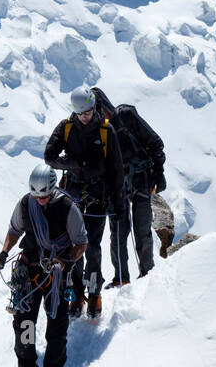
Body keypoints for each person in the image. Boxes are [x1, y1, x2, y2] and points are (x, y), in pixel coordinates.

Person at [0, 161, 87, 367]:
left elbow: (81, 242)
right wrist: (3, 253)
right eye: (36, 195)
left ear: (53, 189)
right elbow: (14, 230)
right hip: (29, 273)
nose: (40, 200)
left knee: (56, 335)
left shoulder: (67, 208)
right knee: (24, 329)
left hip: (57, 277)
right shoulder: (26, 204)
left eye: (44, 195)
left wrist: (65, 261)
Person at [43, 86, 125, 319]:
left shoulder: (106, 131)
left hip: (98, 197)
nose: (85, 117)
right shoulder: (66, 127)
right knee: (74, 246)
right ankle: (78, 293)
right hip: (72, 198)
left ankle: (95, 293)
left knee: (93, 247)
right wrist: (74, 165)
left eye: (87, 113)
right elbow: (49, 156)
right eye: (80, 114)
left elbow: (117, 170)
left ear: (94, 107)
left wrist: (119, 204)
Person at [106, 103, 168, 286]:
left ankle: (142, 275)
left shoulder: (125, 116)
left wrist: (159, 173)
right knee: (122, 232)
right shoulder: (97, 129)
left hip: (138, 180)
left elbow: (155, 143)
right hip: (125, 184)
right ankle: (123, 277)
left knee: (137, 230)